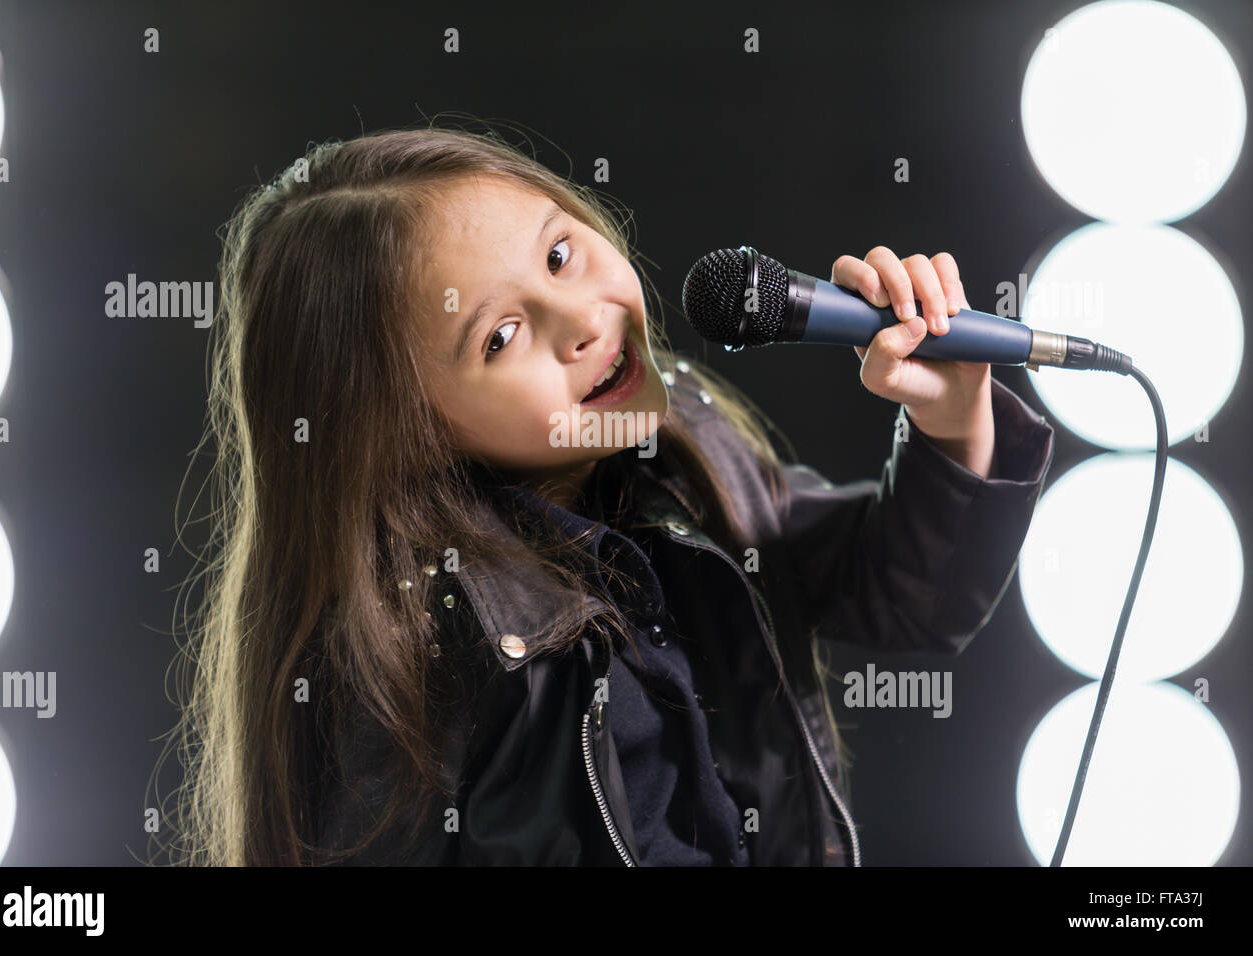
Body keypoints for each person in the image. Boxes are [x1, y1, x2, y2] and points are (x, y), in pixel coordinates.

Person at [159, 123, 1054, 866]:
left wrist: (953, 419)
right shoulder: (411, 653)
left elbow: (906, 601)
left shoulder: (690, 448)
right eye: (501, 336)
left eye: (560, 253)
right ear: (406, 429)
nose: (583, 320)